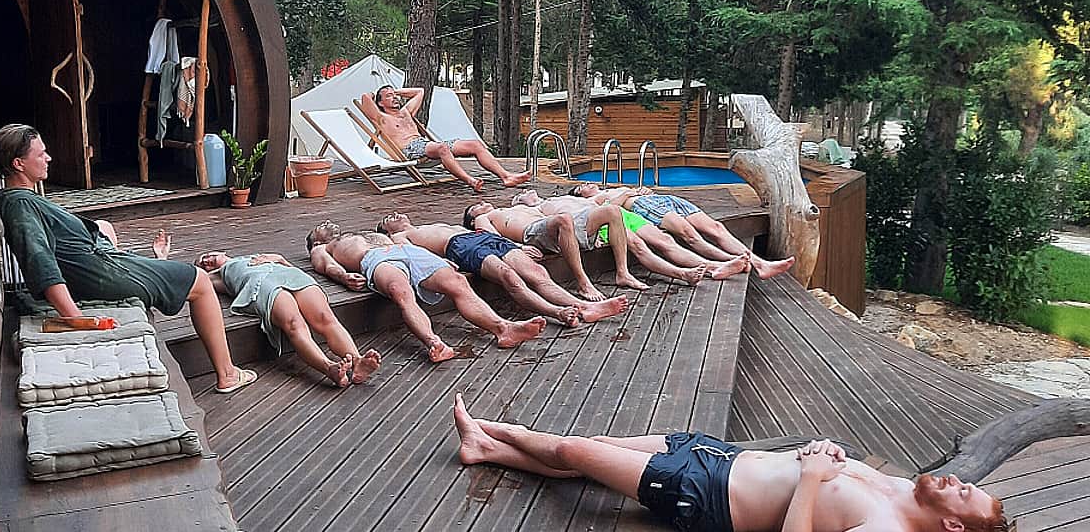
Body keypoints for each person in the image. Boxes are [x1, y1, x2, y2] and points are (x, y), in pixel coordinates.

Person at [452, 394, 1008, 532]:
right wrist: (816, 456)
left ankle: (494, 428)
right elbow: (816, 471)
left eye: (964, 492)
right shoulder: (901, 485)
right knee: (596, 445)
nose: (958, 479)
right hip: (717, 453)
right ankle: (489, 450)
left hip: (706, 495)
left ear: (954, 525)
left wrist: (812, 477)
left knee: (576, 453)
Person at [0, 123, 255, 394]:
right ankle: (228, 374)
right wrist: (76, 318)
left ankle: (156, 266)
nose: (49, 158)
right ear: (19, 163)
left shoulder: (18, 198)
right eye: (41, 154)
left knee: (104, 225)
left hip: (95, 261)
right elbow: (40, 262)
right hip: (98, 271)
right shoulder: (21, 206)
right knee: (199, 281)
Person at [307, 221, 546, 362]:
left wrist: (436, 258)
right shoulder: (321, 248)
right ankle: (434, 343)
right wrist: (344, 276)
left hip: (408, 252)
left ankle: (503, 328)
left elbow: (411, 244)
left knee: (458, 283)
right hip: (376, 259)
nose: (326, 224)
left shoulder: (363, 233)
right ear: (314, 240)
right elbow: (327, 266)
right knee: (400, 291)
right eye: (319, 227)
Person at [376, 211, 629, 326]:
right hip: (460, 248)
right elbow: (413, 255)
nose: (395, 215)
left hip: (482, 237)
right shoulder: (401, 237)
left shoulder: (429, 222)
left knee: (538, 274)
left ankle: (585, 307)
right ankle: (559, 312)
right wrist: (441, 263)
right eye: (388, 219)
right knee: (509, 277)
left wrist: (515, 244)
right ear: (387, 230)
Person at [193, 248, 381, 388]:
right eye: (202, 262)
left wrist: (279, 259)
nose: (206, 260)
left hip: (289, 275)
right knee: (294, 323)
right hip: (260, 284)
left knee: (325, 317)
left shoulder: (255, 255)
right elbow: (200, 284)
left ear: (223, 252)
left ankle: (358, 361)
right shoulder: (217, 276)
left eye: (207, 255)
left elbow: (285, 263)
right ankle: (329, 368)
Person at [513, 189, 748, 286]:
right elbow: (543, 230)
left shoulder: (576, 196)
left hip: (617, 215)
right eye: (523, 194)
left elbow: (607, 203)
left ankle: (717, 265)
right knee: (638, 246)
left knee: (664, 241)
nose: (528, 192)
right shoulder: (540, 209)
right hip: (597, 223)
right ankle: (685, 273)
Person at [571, 183, 796, 279]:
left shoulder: (609, 187)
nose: (588, 185)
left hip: (664, 199)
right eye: (582, 187)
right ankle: (752, 263)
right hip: (642, 206)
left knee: (716, 227)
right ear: (581, 194)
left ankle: (754, 261)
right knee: (689, 233)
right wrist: (628, 194)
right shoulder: (597, 200)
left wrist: (636, 190)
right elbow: (611, 209)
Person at [463, 198, 645, 299]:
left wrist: (592, 233)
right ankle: (583, 283)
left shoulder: (513, 207)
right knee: (563, 219)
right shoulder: (485, 218)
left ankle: (623, 273)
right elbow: (492, 238)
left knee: (612, 210)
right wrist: (518, 247)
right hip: (533, 233)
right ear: (472, 220)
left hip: (557, 226)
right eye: (475, 207)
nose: (481, 203)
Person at [359, 85, 530, 191]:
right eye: (388, 96)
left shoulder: (406, 113)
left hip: (426, 145)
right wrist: (377, 93)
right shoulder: (381, 118)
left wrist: (395, 91)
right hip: (409, 149)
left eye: (394, 95)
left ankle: (506, 176)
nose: (394, 97)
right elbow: (365, 98)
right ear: (380, 103)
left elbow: (420, 92)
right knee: (442, 148)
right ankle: (469, 180)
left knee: (475, 144)